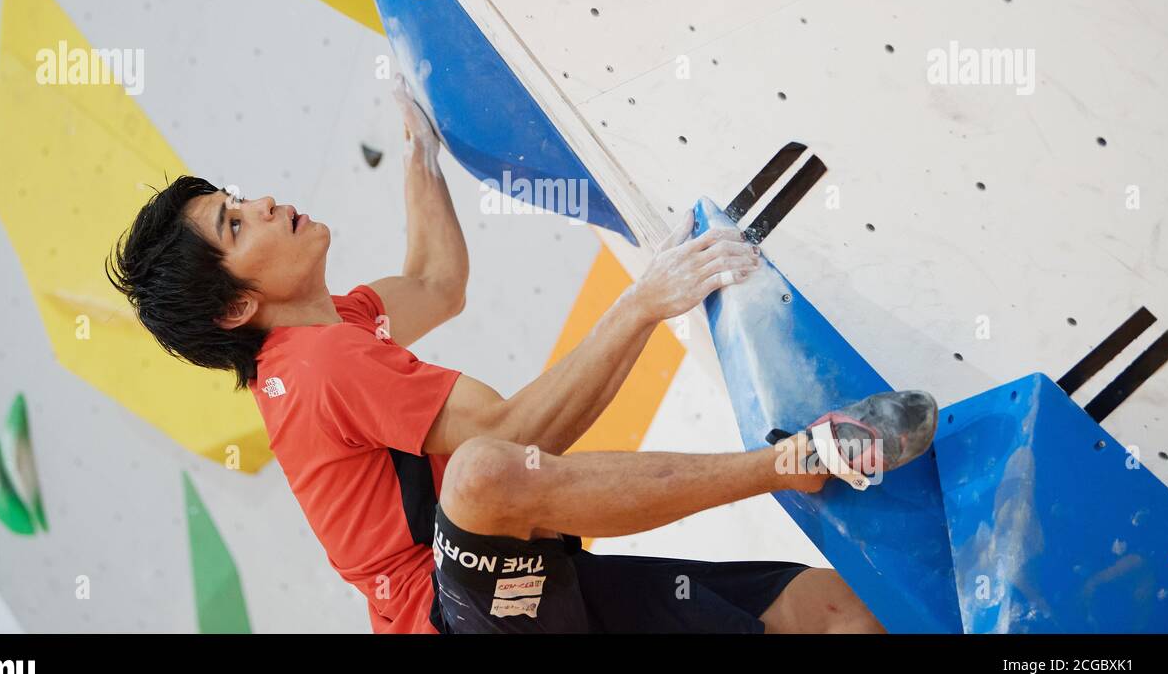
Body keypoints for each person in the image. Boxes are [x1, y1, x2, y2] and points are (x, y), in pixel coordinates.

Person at [106, 76, 936, 633]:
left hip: (528, 588)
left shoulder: (337, 329)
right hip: (465, 614)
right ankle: (797, 462)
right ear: (240, 305)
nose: (262, 203)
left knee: (829, 615)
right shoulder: (320, 367)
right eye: (236, 224)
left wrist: (419, 148)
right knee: (480, 472)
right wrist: (646, 301)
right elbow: (510, 438)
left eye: (237, 198)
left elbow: (437, 280)